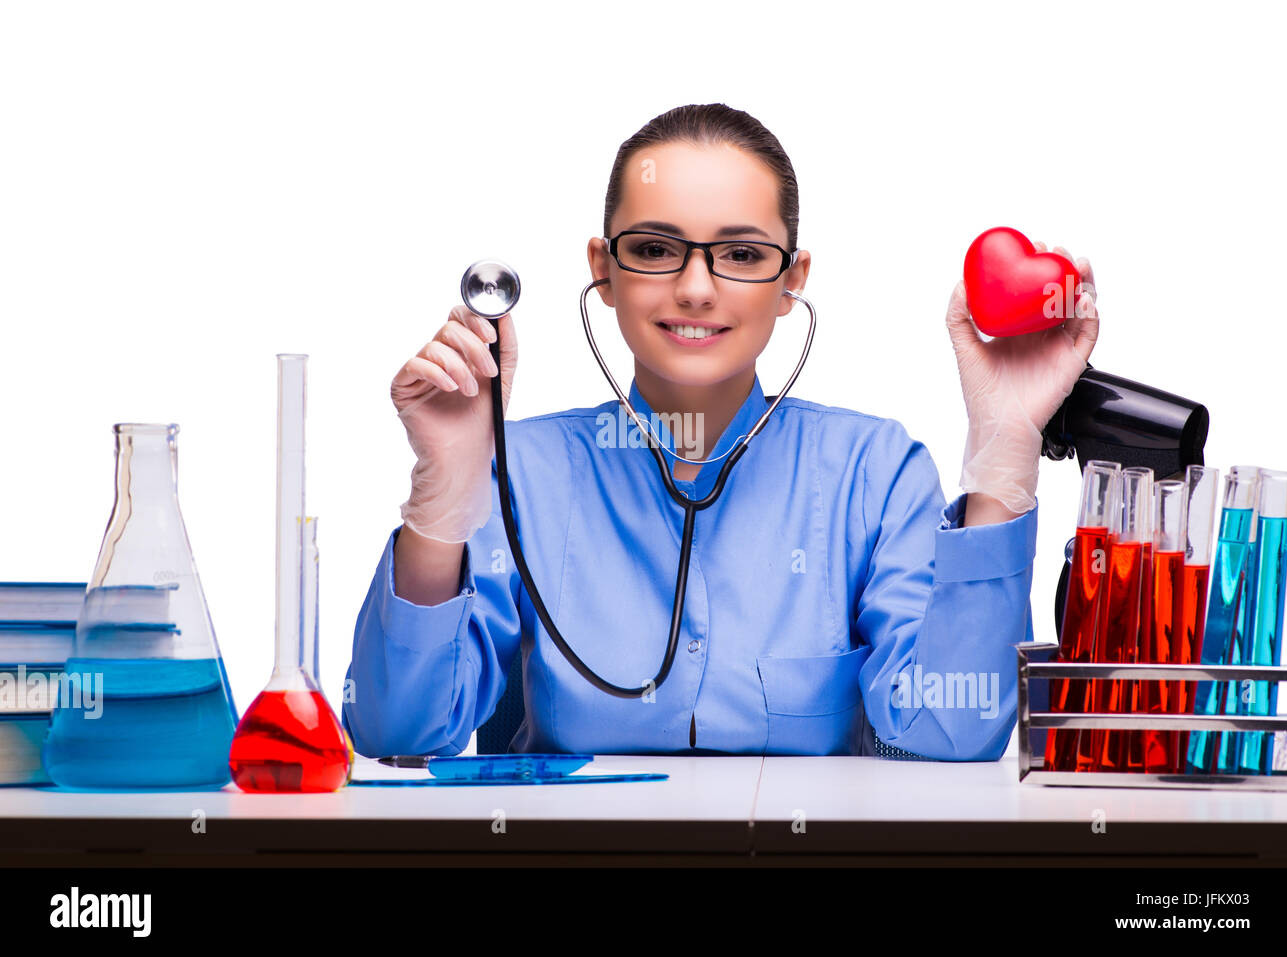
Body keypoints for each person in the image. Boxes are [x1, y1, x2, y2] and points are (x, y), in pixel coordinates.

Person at [341, 102, 1099, 759]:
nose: (696, 288)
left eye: (741, 254)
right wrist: (442, 494)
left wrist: (1004, 454)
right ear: (603, 270)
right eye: (654, 249)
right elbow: (399, 732)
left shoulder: (872, 470)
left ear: (791, 279)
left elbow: (954, 728)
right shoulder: (522, 471)